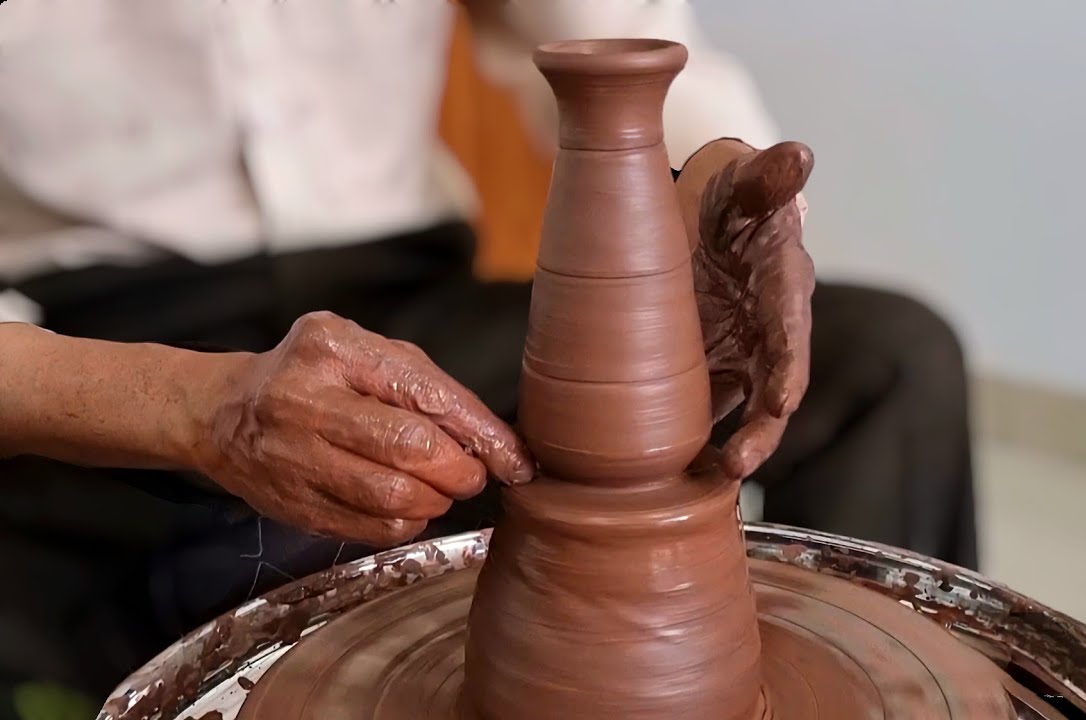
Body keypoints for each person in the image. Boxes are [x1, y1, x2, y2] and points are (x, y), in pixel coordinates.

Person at [0, 0, 976, 712]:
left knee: (887, 358)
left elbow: (620, 34)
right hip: (90, 346)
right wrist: (191, 406)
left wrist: (718, 191)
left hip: (403, 301)